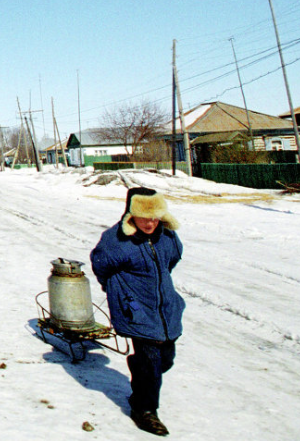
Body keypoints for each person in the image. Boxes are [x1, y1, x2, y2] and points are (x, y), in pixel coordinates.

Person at [90, 187, 185, 437]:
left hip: (165, 308)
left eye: (155, 217)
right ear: (132, 215)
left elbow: (173, 260)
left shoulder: (167, 236)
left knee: (165, 359)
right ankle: (144, 410)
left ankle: (142, 369)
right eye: (145, 217)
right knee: (152, 360)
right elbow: (101, 265)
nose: (151, 222)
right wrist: (119, 292)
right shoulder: (116, 239)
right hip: (136, 310)